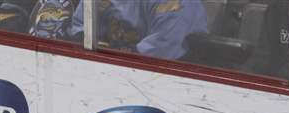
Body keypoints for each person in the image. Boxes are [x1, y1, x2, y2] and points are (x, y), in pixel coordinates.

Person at [64, 0, 208, 60]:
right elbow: (81, 31)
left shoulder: (180, 3)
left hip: (165, 77)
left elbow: (162, 48)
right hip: (106, 68)